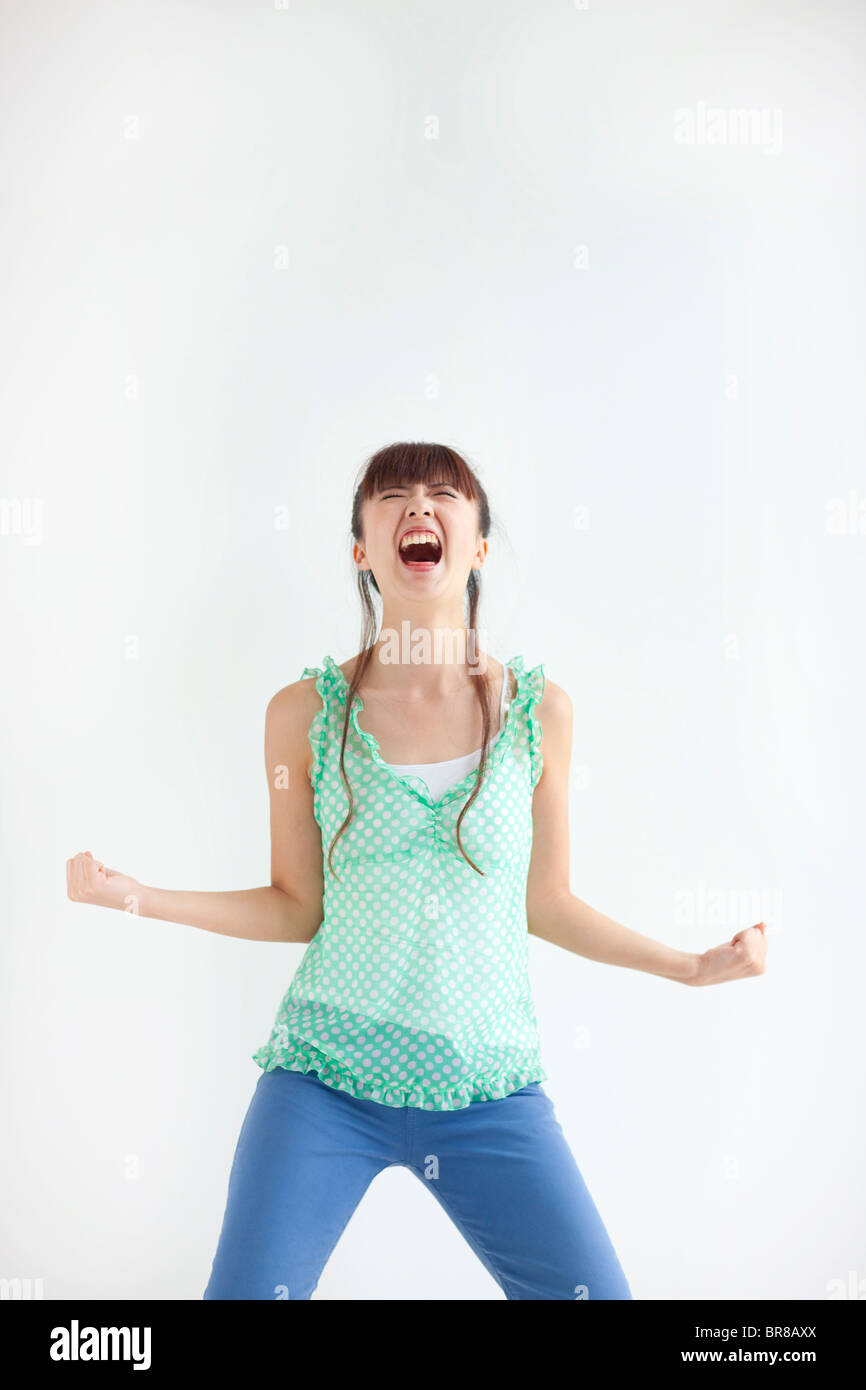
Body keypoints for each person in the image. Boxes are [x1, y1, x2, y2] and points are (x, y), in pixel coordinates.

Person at [66, 440, 768, 1300]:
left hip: (485, 1092)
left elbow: (545, 903)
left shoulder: (540, 712)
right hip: (324, 1083)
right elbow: (295, 906)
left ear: (477, 545)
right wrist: (134, 896)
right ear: (362, 548)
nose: (419, 507)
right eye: (392, 496)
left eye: (445, 495)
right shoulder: (302, 715)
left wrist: (692, 967)